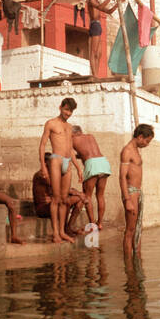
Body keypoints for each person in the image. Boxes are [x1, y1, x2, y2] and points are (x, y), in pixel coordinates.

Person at [37, 97, 78, 244]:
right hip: (55, 160)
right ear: (60, 107)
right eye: (66, 109)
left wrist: (79, 168)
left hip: (68, 162)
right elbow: (42, 145)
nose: (68, 113)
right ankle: (55, 233)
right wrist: (43, 166)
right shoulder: (51, 123)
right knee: (55, 198)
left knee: (64, 199)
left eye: (70, 111)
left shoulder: (69, 127)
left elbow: (71, 149)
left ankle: (62, 231)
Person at [120, 124, 154, 259]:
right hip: (131, 193)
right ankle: (128, 265)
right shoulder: (127, 151)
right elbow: (122, 176)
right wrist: (127, 200)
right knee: (130, 230)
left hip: (137, 193)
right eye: (146, 141)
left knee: (138, 229)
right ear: (140, 137)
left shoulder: (136, 150)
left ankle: (137, 259)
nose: (147, 144)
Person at [32, 152, 84, 237]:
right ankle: (64, 228)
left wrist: (78, 194)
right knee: (66, 201)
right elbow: (59, 188)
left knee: (80, 199)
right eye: (52, 161)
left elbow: (63, 188)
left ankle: (69, 226)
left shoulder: (52, 173)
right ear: (45, 162)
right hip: (43, 208)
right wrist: (77, 193)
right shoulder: (41, 174)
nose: (55, 163)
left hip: (53, 204)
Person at [71, 125, 111, 229]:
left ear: (73, 133)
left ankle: (92, 224)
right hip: (103, 162)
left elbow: (75, 154)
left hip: (92, 164)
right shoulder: (90, 136)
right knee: (100, 195)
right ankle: (100, 223)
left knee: (87, 196)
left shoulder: (72, 139)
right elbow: (86, 152)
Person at [86, 0, 118, 78]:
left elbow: (109, 11)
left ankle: (97, 73)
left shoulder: (97, 2)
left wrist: (117, 4)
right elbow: (100, 7)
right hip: (94, 25)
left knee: (99, 53)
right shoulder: (92, 0)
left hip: (98, 26)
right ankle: (94, 74)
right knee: (94, 51)